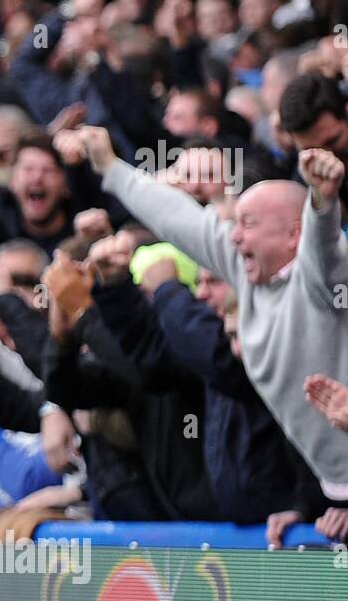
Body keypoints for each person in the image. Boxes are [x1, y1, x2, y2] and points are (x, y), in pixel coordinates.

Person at [69, 124, 348, 540]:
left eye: (248, 224)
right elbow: (181, 219)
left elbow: (324, 251)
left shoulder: (322, 280)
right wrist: (111, 166)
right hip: (328, 490)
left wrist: (322, 203)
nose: (233, 236)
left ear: (294, 233)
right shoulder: (245, 269)